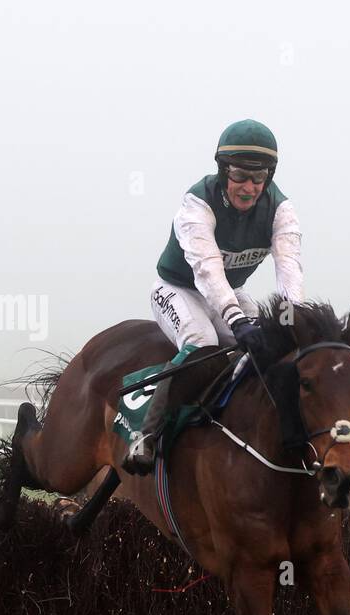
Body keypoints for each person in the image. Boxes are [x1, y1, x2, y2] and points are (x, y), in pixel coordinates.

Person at [123, 119, 304, 474]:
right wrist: (237, 320)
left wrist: (290, 320)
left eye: (259, 176)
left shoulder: (281, 210)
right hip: (177, 288)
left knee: (266, 344)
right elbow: (207, 270)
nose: (250, 187)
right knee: (202, 339)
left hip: (229, 291)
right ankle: (146, 435)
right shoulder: (196, 203)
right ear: (222, 171)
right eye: (239, 175)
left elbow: (289, 269)